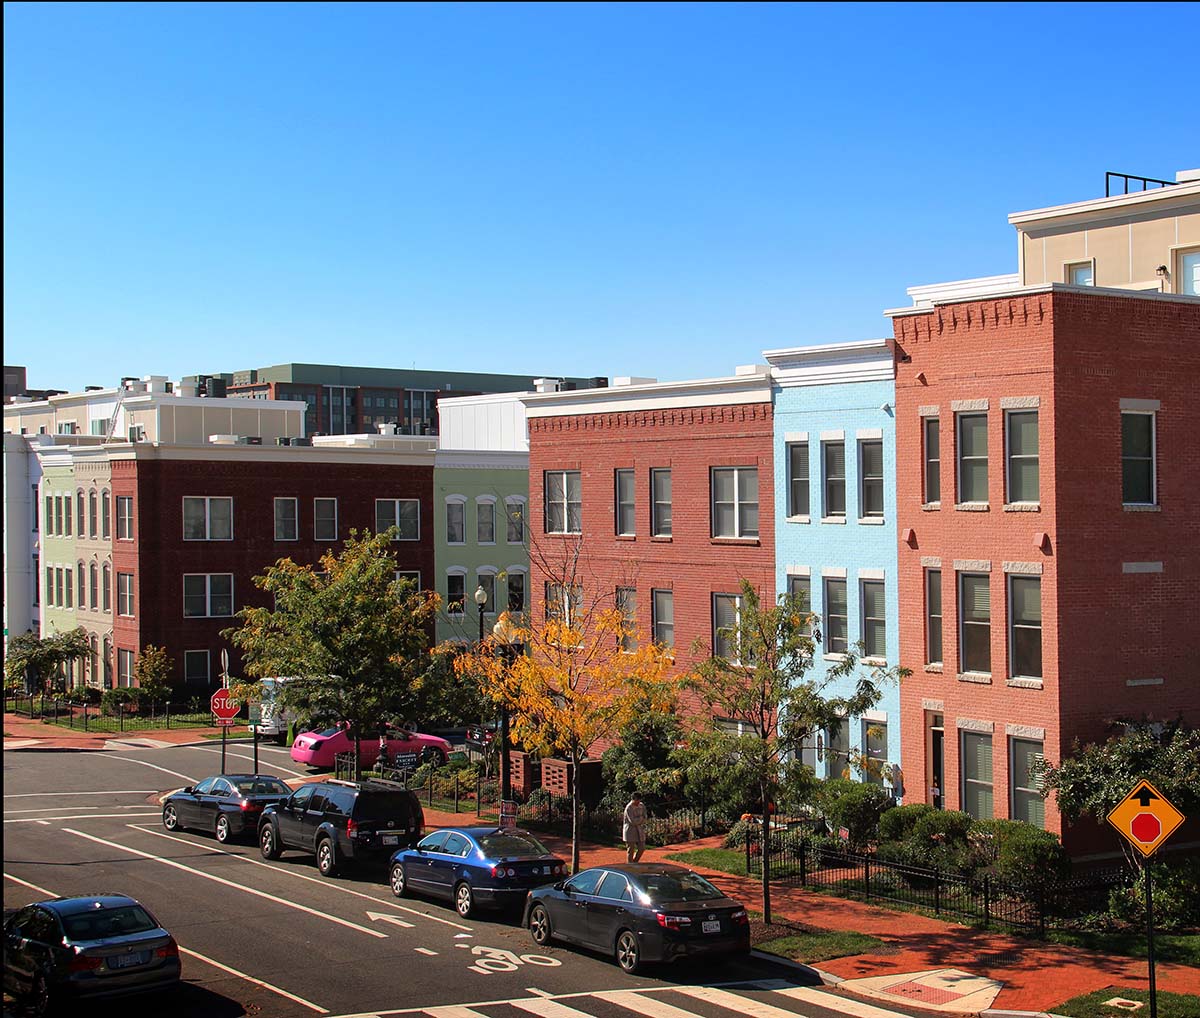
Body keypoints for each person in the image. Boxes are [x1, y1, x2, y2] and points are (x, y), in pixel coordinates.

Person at [623, 791, 647, 863]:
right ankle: (630, 865)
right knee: (631, 850)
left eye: (639, 800)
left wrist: (640, 819)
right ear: (633, 799)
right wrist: (641, 818)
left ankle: (635, 862)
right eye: (637, 800)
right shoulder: (629, 808)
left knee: (642, 848)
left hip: (639, 830)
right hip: (630, 831)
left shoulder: (641, 805)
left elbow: (645, 816)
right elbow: (632, 821)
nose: (638, 802)